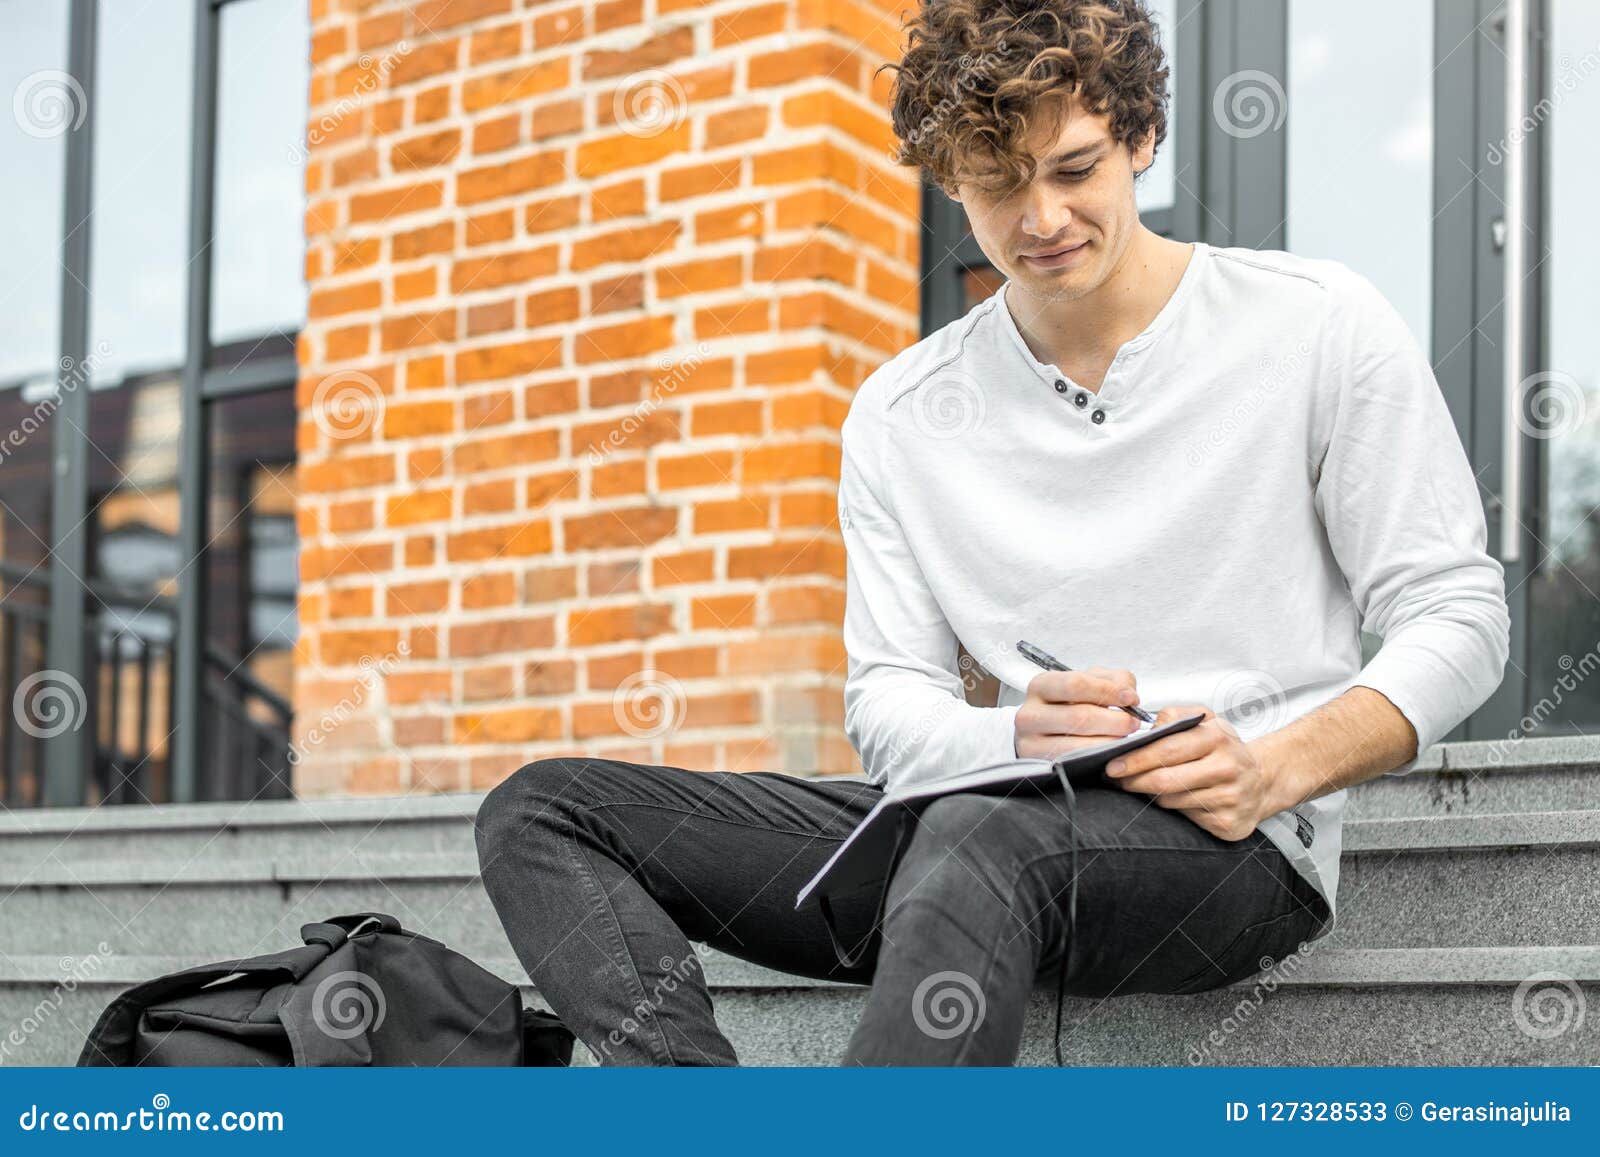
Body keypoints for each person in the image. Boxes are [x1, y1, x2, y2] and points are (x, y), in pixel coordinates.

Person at [474, 0, 1510, 1065]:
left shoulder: (1316, 324)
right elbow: (889, 698)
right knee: (541, 810)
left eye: (1073, 167)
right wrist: (1010, 737)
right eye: (997, 182)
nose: (1041, 217)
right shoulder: (900, 408)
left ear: (1142, 137)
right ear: (947, 178)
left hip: (1229, 845)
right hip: (978, 819)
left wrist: (1277, 763)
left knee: (981, 839)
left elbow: (1458, 612)